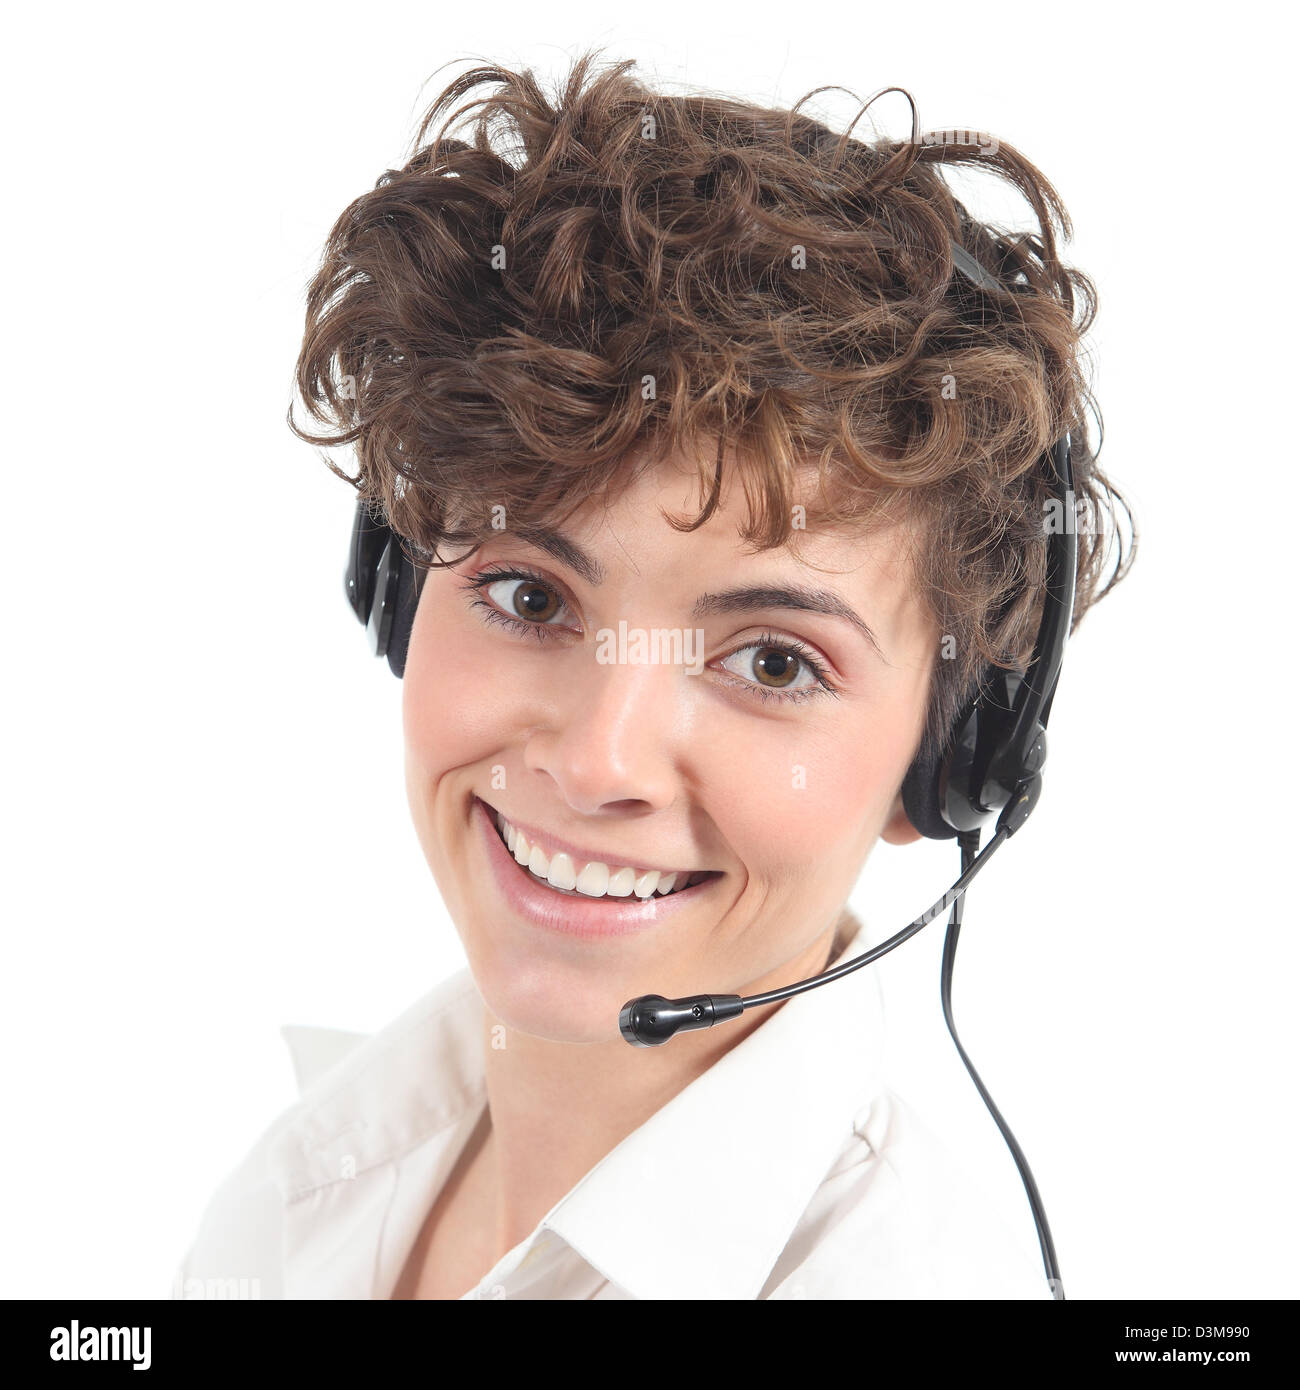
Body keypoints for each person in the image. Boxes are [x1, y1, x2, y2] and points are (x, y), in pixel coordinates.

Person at [174, 50, 1134, 1300]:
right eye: (528, 596)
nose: (597, 759)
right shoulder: (306, 1182)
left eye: (774, 660)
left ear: (954, 757)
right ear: (401, 592)